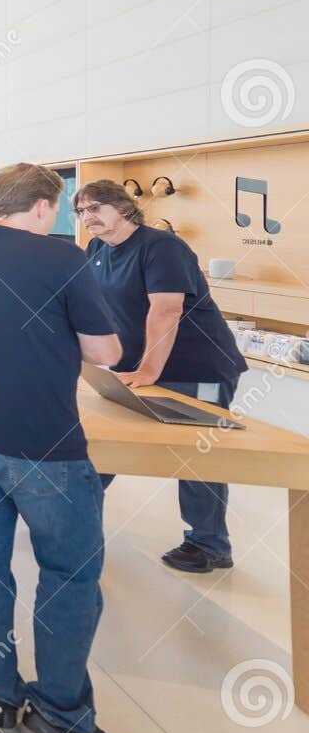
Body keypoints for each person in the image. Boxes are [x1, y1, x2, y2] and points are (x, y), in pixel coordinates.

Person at [0, 163, 138, 733]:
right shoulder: (63, 259)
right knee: (70, 574)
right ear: (46, 208)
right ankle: (61, 718)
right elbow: (104, 351)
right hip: (42, 441)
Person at [76, 179, 247, 574]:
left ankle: (209, 545)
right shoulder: (97, 249)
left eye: (96, 208)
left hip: (197, 368)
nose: (88, 218)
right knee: (108, 443)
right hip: (134, 370)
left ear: (123, 208)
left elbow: (166, 311)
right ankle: (68, 520)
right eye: (82, 211)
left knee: (196, 455)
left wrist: (150, 369)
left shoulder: (162, 247)